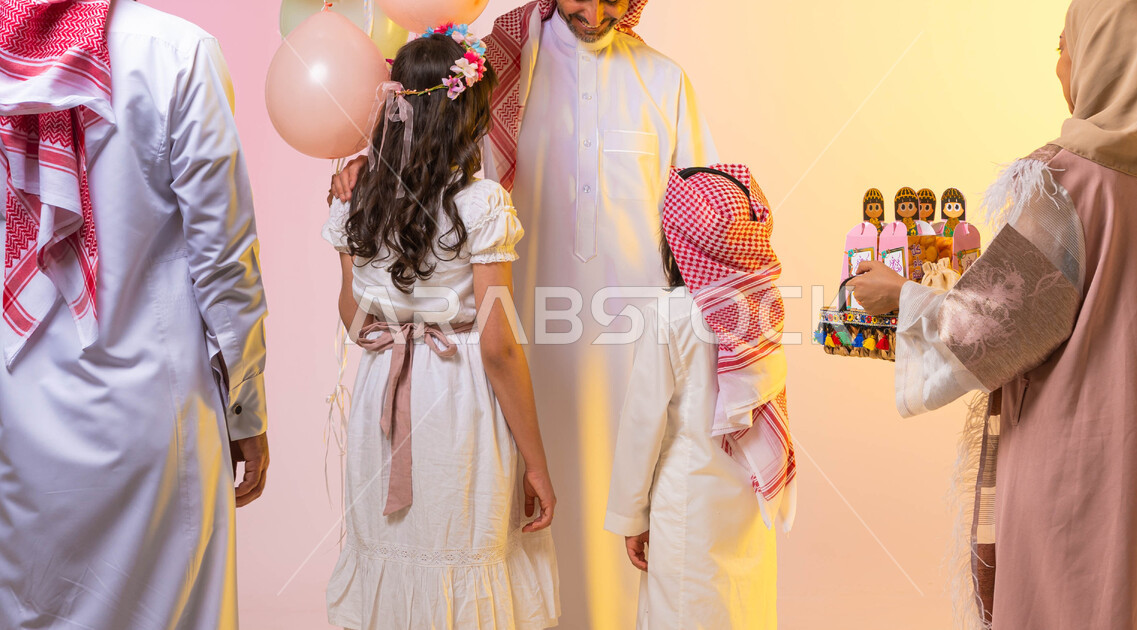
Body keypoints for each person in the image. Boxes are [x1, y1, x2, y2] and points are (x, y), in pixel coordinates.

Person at [331, 1, 718, 625]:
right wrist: (366, 165)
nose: (595, 9)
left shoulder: (666, 82)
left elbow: (710, 218)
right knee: (498, 529)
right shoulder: (500, 71)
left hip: (631, 346)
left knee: (627, 513)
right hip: (504, 351)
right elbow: (422, 145)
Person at [849, 0, 1137, 628]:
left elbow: (993, 330)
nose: (1059, 66)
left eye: (1065, 45)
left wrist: (901, 295)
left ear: (1107, 54)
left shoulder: (1071, 182)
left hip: (1079, 470)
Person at [0, 1, 269, 628]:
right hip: (160, 413)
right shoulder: (179, 50)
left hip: (19, 409)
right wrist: (247, 405)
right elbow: (226, 259)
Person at [320, 29, 559, 630]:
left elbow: (354, 322)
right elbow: (499, 345)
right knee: (466, 543)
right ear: (467, 114)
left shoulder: (354, 201)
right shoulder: (481, 204)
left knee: (393, 552)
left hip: (383, 393)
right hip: (456, 399)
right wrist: (537, 462)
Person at [604, 165, 794, 630]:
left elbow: (641, 424)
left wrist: (631, 515)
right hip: (748, 501)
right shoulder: (764, 306)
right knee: (741, 611)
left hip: (685, 502)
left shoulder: (669, 314)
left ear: (679, 239)